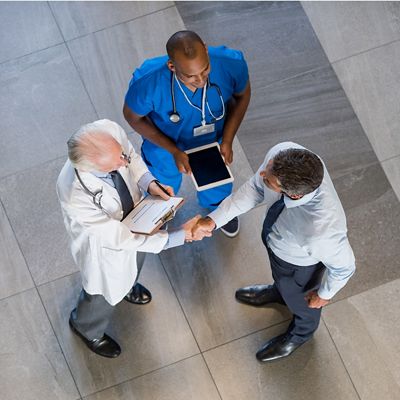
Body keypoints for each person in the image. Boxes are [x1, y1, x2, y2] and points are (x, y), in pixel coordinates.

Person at [192, 142, 356, 362]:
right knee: (282, 281)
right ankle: (279, 292)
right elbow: (255, 188)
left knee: (302, 301)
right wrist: (214, 220)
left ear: (293, 195)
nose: (261, 174)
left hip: (299, 264)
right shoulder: (284, 152)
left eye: (268, 179)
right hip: (277, 245)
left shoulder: (322, 230)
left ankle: (301, 333)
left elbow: (345, 267)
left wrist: (324, 295)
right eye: (267, 168)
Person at [56, 119, 204, 358]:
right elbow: (122, 239)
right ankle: (86, 327)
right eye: (117, 164)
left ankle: (128, 286)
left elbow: (132, 157)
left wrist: (149, 183)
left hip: (137, 220)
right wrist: (178, 236)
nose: (123, 162)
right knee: (102, 291)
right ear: (91, 167)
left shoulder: (108, 132)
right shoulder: (76, 195)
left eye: (120, 155)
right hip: (106, 247)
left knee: (135, 262)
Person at [123, 30, 251, 238]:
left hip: (212, 138)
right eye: (190, 76)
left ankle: (218, 208)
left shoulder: (231, 63)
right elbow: (132, 117)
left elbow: (243, 95)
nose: (201, 80)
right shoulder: (148, 82)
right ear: (172, 66)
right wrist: (173, 150)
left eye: (205, 70)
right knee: (163, 182)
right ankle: (161, 212)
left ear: (207, 52)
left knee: (217, 179)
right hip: (166, 144)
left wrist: (227, 139)